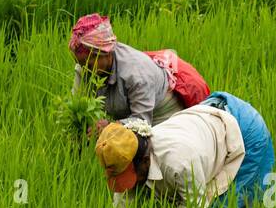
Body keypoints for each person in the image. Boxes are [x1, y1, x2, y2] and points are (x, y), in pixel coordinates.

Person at [94, 90, 274, 208]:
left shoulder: (178, 163)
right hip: (208, 115)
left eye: (129, 175)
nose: (129, 184)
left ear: (145, 161)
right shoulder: (127, 154)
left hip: (244, 131)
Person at [68, 13, 209, 125]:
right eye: (80, 63)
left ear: (106, 52)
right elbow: (77, 107)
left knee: (143, 150)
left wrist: (110, 126)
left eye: (90, 63)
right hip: (127, 115)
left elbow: (142, 122)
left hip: (159, 115)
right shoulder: (83, 68)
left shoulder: (135, 74)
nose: (85, 69)